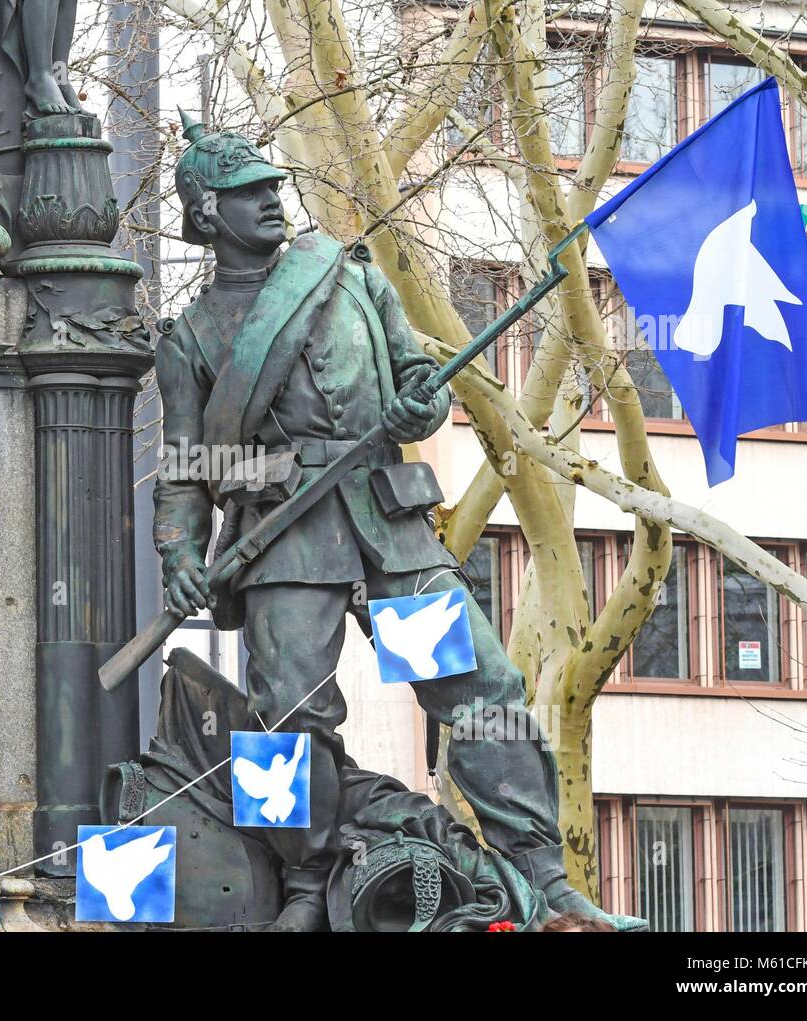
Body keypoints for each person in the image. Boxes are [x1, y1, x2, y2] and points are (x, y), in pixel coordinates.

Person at [151, 114, 644, 932]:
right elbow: (185, 471)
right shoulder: (192, 338)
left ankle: (545, 879)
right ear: (206, 214)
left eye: (273, 185)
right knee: (286, 721)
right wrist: (178, 550)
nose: (272, 200)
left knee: (482, 692)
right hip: (284, 543)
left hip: (387, 524)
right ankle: (306, 877)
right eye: (247, 193)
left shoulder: (349, 278)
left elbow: (421, 377)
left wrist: (423, 395)